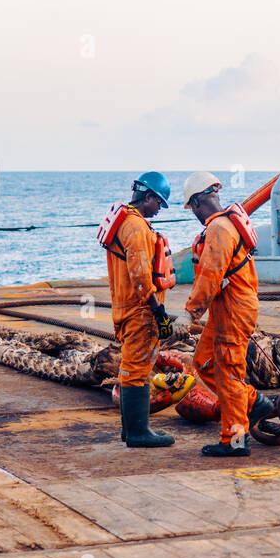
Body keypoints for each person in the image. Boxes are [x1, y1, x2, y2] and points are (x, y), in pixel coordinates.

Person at [182, 171, 274, 456]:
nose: (194, 213)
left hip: (234, 312)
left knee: (230, 375)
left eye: (192, 207)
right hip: (227, 310)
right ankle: (252, 401)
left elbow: (210, 276)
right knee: (204, 362)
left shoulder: (220, 229)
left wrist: (190, 315)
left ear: (198, 201)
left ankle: (234, 441)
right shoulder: (223, 225)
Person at [104, 171, 177, 447]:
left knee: (129, 368)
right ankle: (138, 433)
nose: (158, 210)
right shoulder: (135, 228)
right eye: (158, 203)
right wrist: (159, 312)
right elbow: (141, 277)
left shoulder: (122, 222)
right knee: (137, 370)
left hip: (124, 308)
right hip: (140, 312)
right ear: (148, 197)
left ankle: (130, 430)